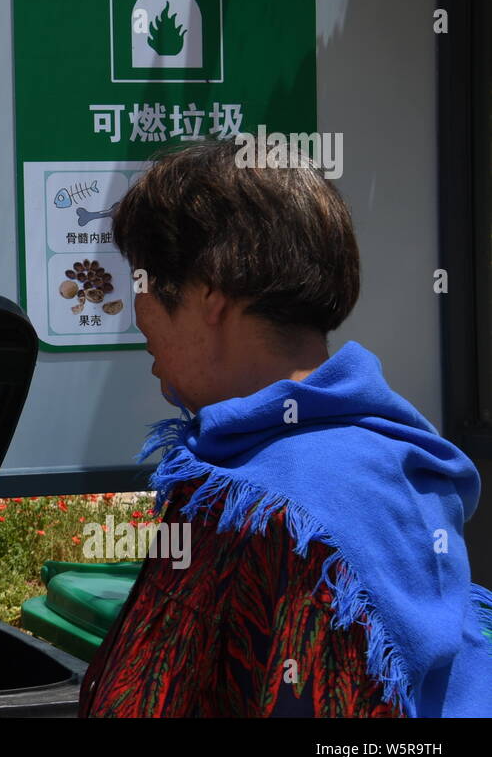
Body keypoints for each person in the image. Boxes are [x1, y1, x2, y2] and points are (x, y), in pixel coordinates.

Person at [79, 138, 492, 717]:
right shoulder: (383, 454)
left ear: (208, 294)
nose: (136, 310)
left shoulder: (278, 505)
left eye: (142, 279)